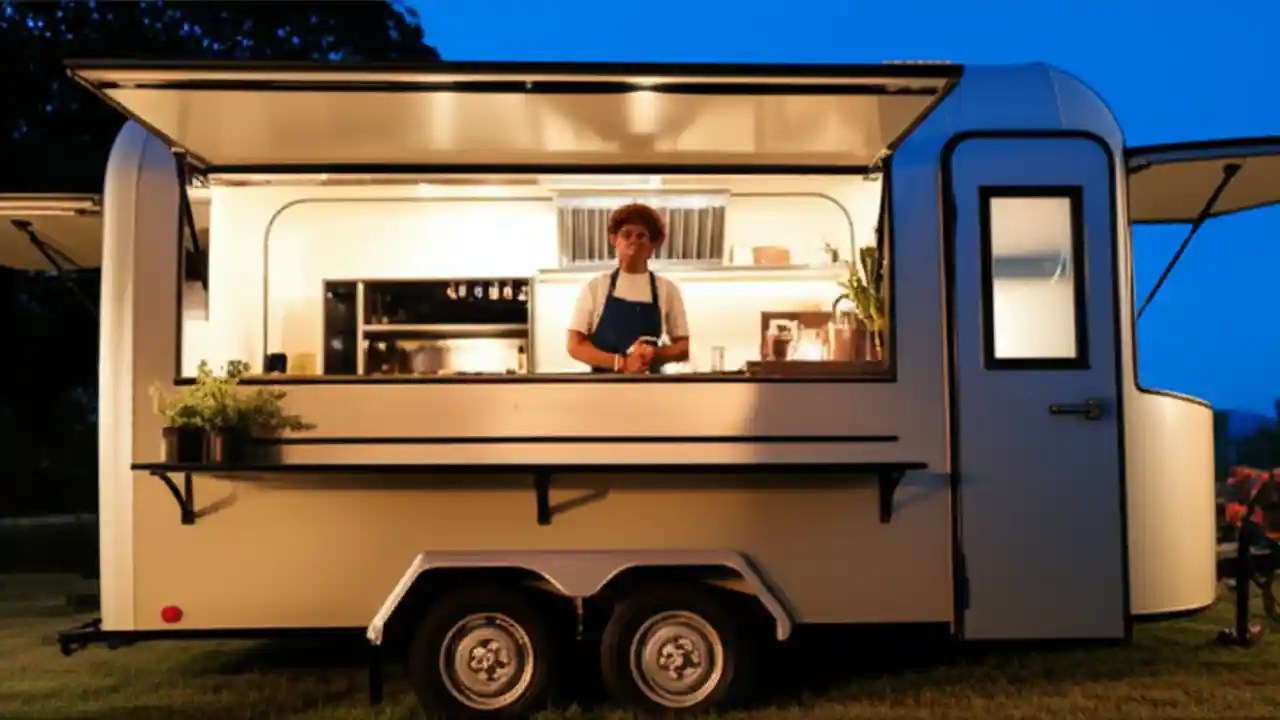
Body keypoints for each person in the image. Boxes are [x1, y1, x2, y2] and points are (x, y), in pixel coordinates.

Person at [567, 202, 690, 374]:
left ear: (653, 245)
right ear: (614, 240)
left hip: (650, 391)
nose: (634, 240)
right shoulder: (596, 287)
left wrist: (653, 354)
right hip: (602, 392)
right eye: (626, 234)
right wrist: (621, 363)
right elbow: (575, 345)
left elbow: (684, 347)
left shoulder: (667, 289)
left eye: (641, 236)